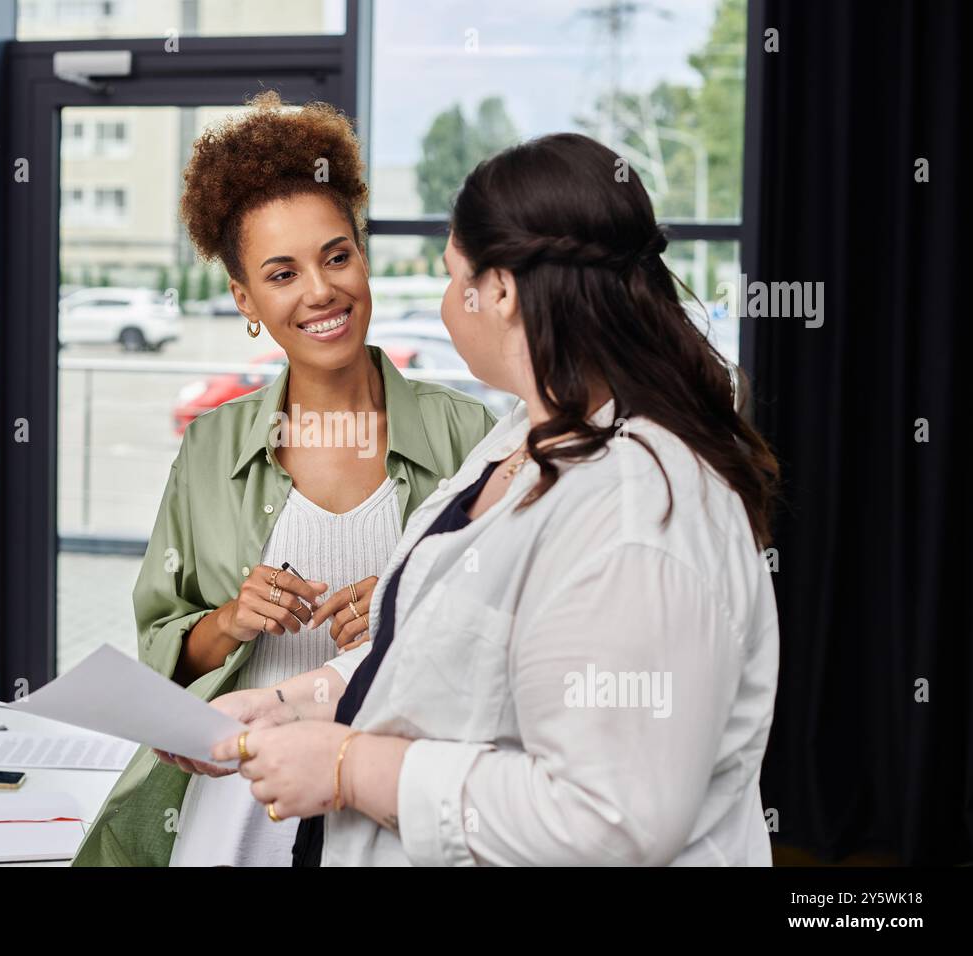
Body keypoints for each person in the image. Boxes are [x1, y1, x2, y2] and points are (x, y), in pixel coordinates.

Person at [203, 132, 782, 866]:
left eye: (452, 277)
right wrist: (291, 703)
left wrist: (350, 768)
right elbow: (437, 657)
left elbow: (610, 819)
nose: (445, 302)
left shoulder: (641, 516)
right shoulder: (516, 438)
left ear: (500, 291)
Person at [71, 92, 496, 867]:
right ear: (246, 300)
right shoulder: (211, 449)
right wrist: (232, 618)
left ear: (362, 257)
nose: (320, 292)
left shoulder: (467, 434)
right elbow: (168, 649)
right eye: (281, 273)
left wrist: (407, 611)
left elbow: (503, 625)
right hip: (241, 805)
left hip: (393, 794)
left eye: (337, 255)